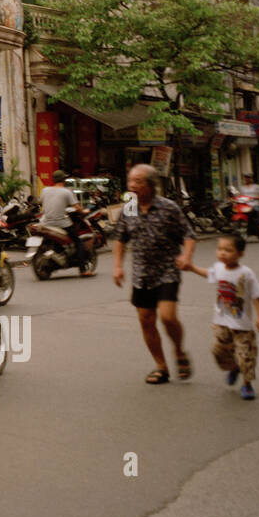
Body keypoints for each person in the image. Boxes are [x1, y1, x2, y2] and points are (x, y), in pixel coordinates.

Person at [113, 163, 196, 385]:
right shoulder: (129, 209)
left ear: (151, 185)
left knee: (168, 317)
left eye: (138, 181)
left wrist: (186, 257)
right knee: (146, 320)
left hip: (167, 270)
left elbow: (188, 234)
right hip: (141, 273)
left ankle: (179, 352)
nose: (132, 185)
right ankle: (161, 367)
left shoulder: (168, 208)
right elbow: (120, 238)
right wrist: (118, 267)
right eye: (130, 181)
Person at [183, 233, 259, 400]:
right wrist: (191, 268)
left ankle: (247, 385)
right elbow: (208, 274)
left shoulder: (246, 273)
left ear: (240, 254)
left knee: (246, 355)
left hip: (242, 325)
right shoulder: (219, 268)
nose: (222, 253)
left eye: (228, 250)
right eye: (220, 249)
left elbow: (256, 295)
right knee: (217, 351)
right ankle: (233, 367)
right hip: (221, 322)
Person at [40, 169, 93, 275]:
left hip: (45, 223)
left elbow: (42, 203)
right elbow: (77, 207)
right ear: (63, 180)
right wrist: (84, 211)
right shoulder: (66, 191)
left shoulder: (45, 190)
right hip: (61, 223)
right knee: (78, 242)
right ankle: (84, 270)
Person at [238, 173, 259, 241]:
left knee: (256, 212)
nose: (247, 179)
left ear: (251, 179)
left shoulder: (256, 187)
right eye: (246, 178)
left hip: (255, 204)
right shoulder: (242, 188)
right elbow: (239, 195)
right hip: (245, 205)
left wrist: (258, 197)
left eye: (249, 178)